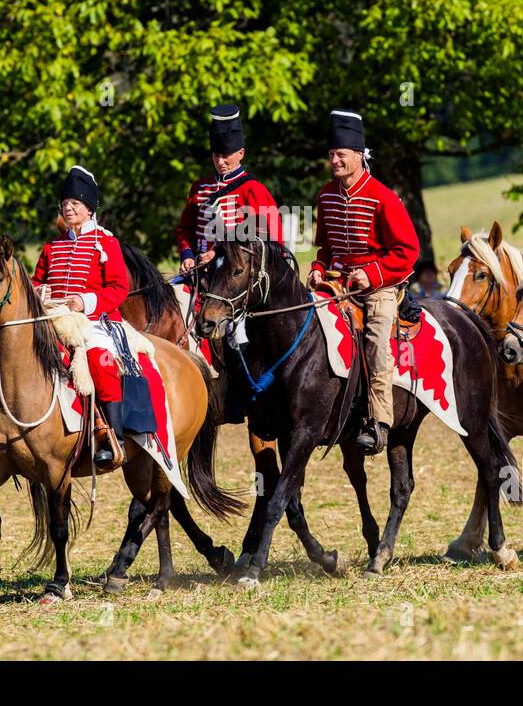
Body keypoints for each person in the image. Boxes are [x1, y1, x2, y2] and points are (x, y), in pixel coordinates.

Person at [307, 109, 421, 456]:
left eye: (341, 155)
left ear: (359, 155)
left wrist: (371, 274)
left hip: (379, 286)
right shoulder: (326, 195)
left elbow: (409, 250)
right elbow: (325, 246)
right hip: (335, 283)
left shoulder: (383, 196)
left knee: (376, 340)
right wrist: (317, 266)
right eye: (331, 155)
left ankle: (378, 421)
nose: (335, 160)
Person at [31, 166, 130, 468]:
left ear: (89, 207)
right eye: (65, 203)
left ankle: (111, 435)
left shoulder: (106, 242)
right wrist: (39, 292)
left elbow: (120, 288)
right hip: (53, 318)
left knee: (101, 361)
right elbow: (36, 280)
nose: (68, 207)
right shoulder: (52, 245)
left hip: (94, 321)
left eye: (75, 202)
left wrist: (85, 301)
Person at [175, 104, 283, 274]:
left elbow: (268, 241)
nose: (220, 162)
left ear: (241, 153)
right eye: (216, 155)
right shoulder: (199, 188)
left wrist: (218, 254)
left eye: (225, 156)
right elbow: (185, 229)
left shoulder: (254, 189)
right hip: (196, 272)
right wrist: (187, 255)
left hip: (234, 279)